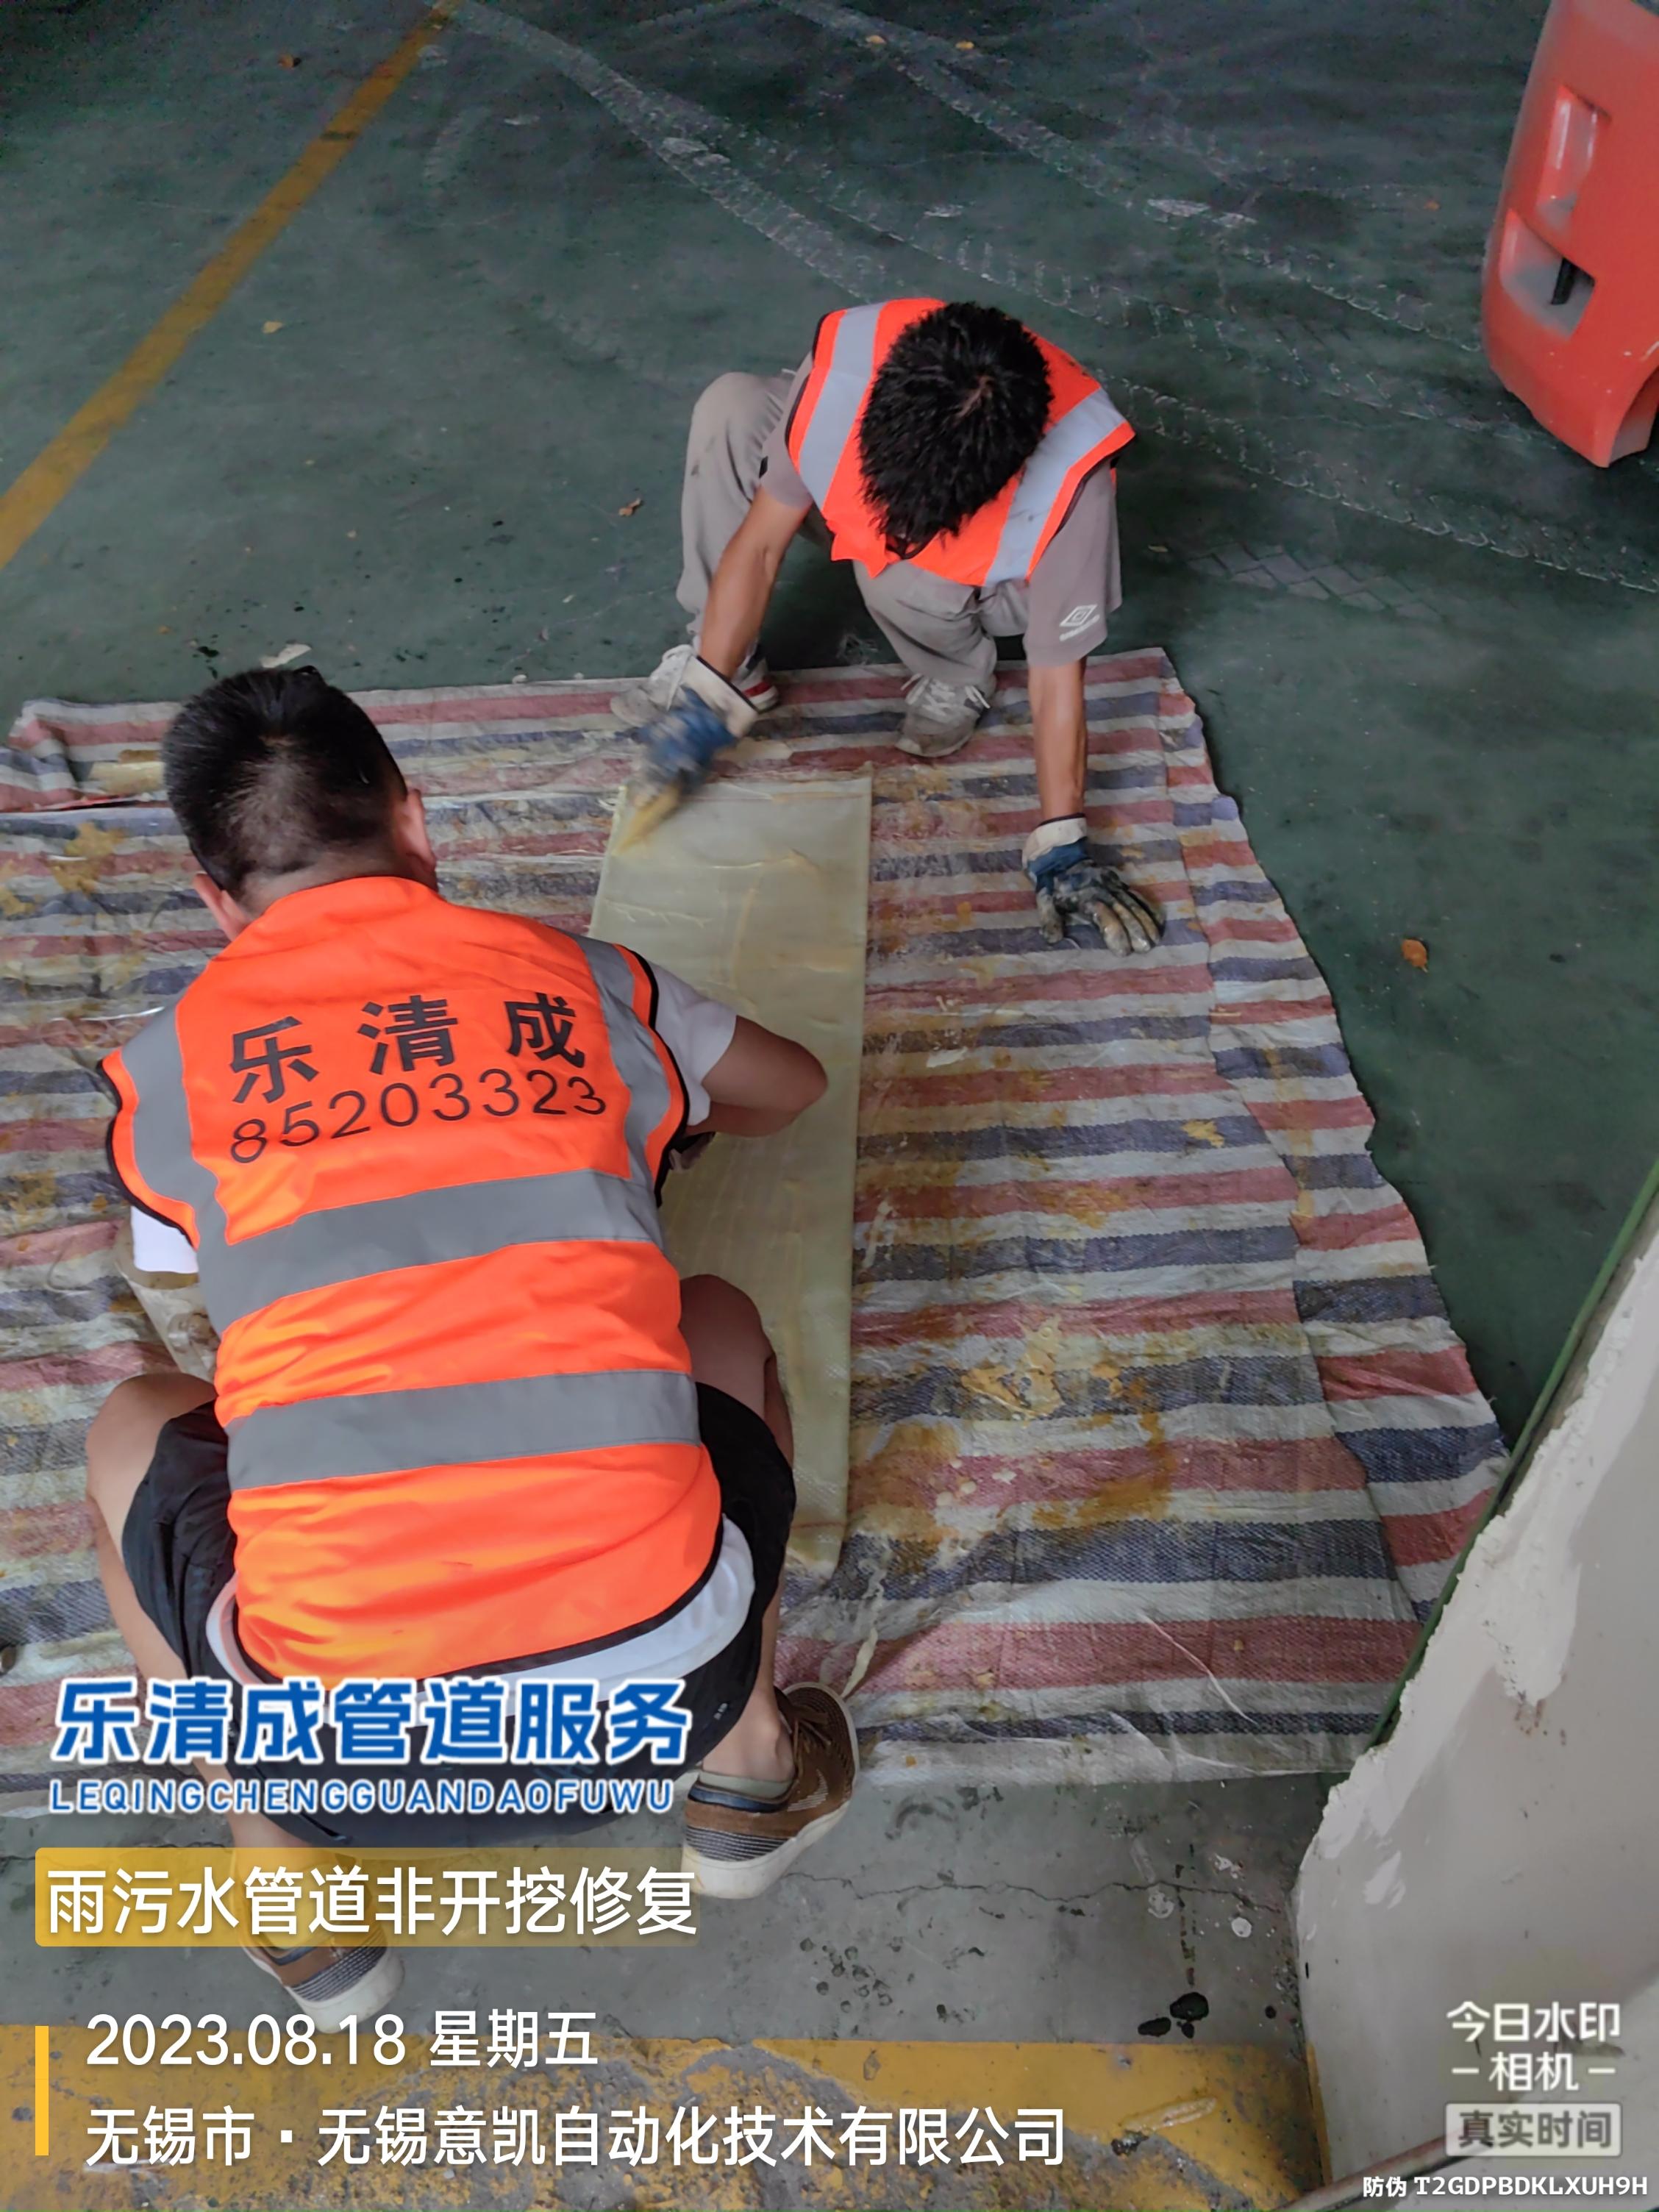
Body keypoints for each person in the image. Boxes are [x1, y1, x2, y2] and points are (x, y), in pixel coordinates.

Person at [88, 666, 858, 2026]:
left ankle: (291, 1896)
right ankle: (747, 1777)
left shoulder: (161, 1069)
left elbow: (184, 1274)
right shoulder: (582, 978)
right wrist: (644, 1112)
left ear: (214, 898)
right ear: (417, 821)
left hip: (341, 1759)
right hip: (661, 1699)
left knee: (131, 1426)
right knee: (720, 1320)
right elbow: (788, 1088)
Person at [616, 296, 1163, 955]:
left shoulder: (1075, 486)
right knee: (732, 408)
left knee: (901, 574)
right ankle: (735, 669)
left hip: (1000, 581)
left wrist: (1062, 841)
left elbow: (1056, 682)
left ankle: (955, 671)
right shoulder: (851, 371)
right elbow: (760, 544)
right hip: (888, 481)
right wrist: (709, 693)